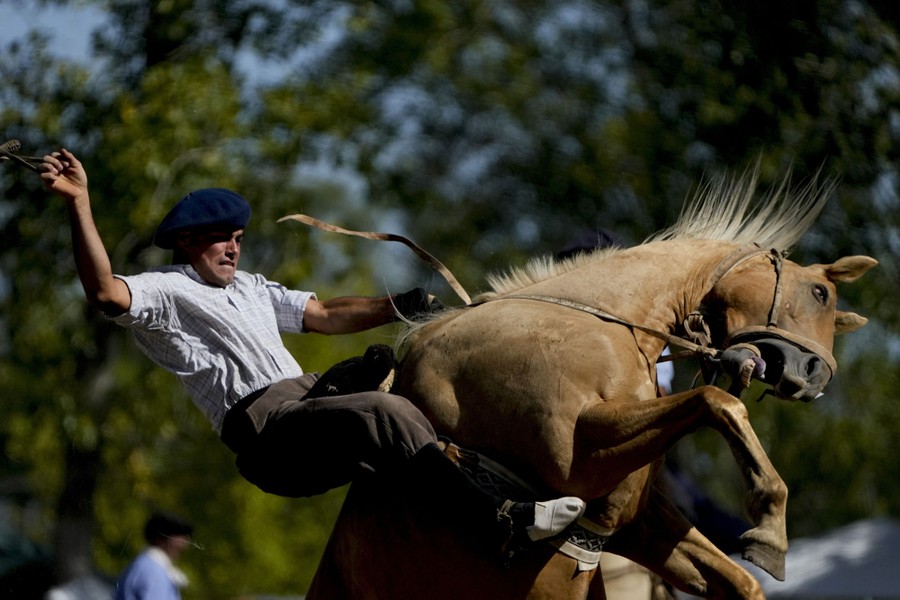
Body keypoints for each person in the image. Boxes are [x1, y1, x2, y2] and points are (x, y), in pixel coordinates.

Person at [40, 148, 585, 559]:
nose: (233, 247)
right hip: (270, 436)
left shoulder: (250, 286)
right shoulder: (166, 290)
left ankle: (505, 488)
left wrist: (401, 303)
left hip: (310, 404)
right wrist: (81, 204)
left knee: (403, 380)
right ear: (186, 242)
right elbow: (106, 292)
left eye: (239, 236)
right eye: (220, 238)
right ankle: (502, 521)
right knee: (381, 409)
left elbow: (322, 315)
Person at [114, 512, 193, 600]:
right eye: (180, 539)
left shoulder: (145, 564)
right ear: (161, 538)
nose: (184, 546)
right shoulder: (154, 571)